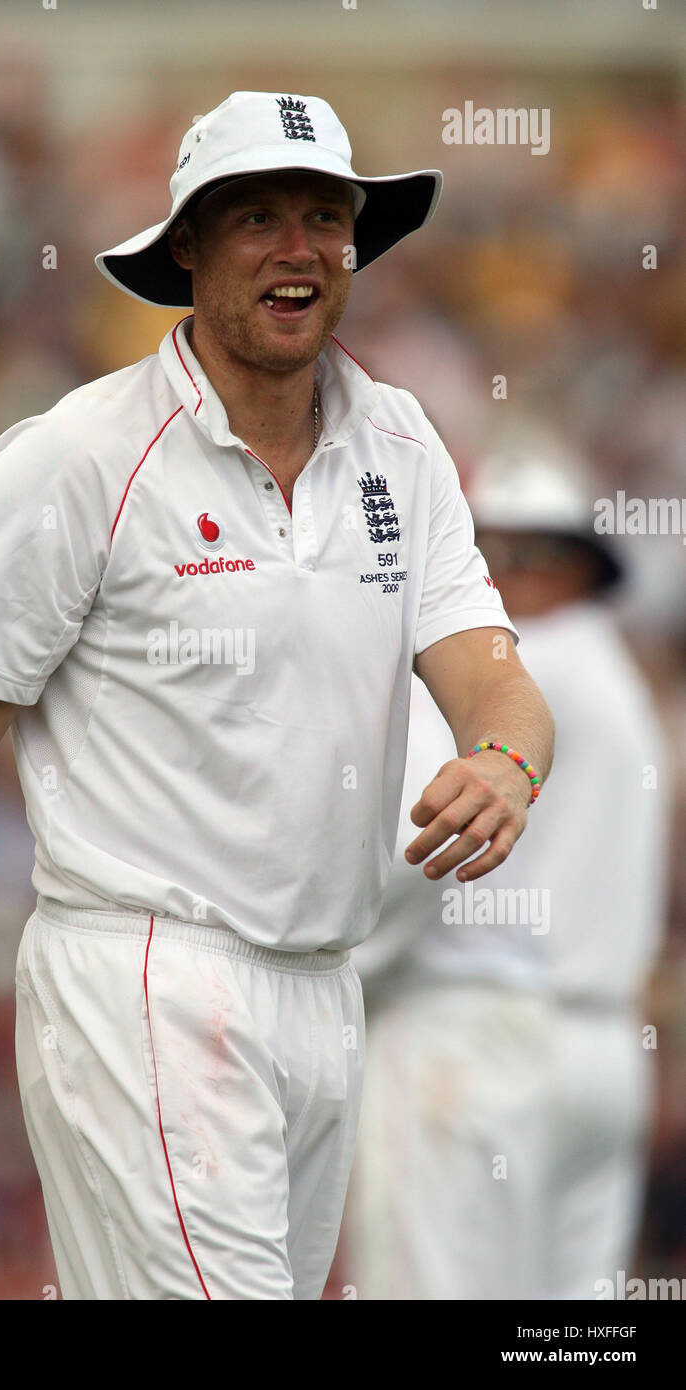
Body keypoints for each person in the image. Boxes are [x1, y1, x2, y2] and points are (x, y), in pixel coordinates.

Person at [0, 91, 554, 1301]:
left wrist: (504, 760)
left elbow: (491, 669)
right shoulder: (74, 459)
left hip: (325, 993)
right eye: (258, 218)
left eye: (323, 217)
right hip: (143, 979)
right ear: (186, 247)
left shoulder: (400, 441)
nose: (298, 246)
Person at [338, 445, 668, 1299]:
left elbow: (410, 848)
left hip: (472, 1036)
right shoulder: (618, 678)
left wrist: (328, 969)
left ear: (566, 569)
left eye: (509, 554)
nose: (491, 575)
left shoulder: (513, 679)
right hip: (600, 1054)